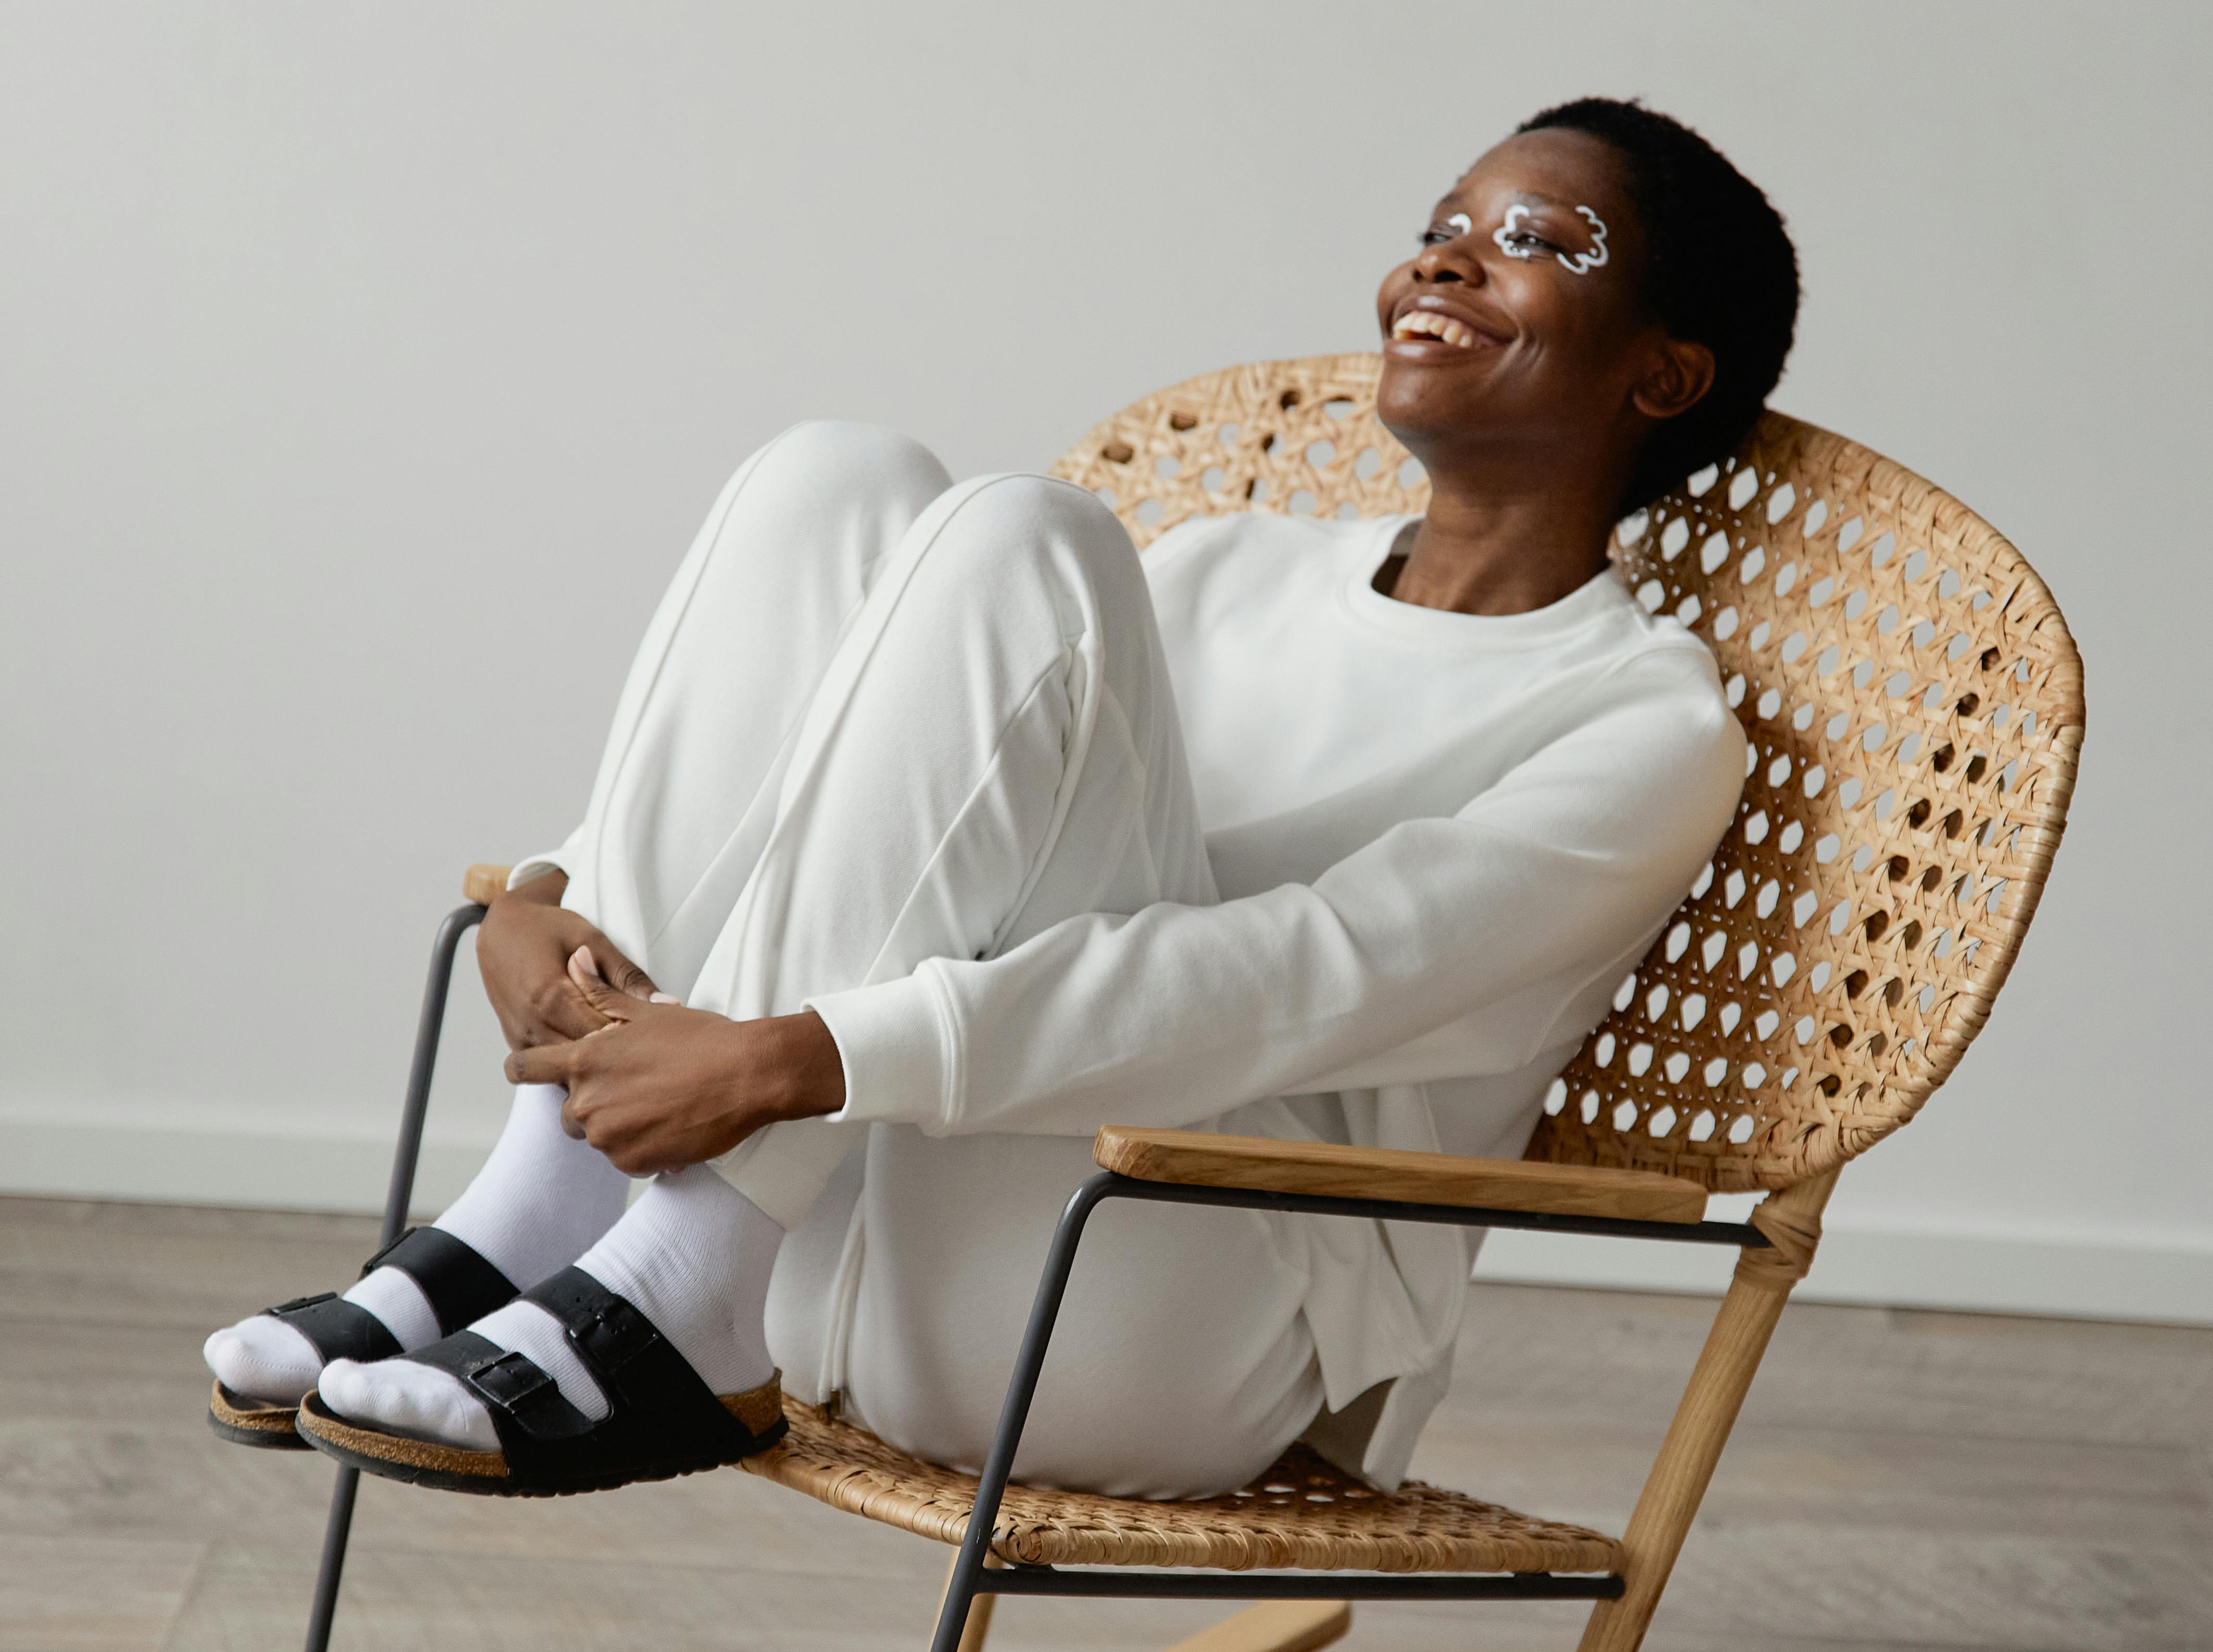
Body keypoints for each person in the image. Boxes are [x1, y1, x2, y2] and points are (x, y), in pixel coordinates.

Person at [205, 97, 1796, 1503]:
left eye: (1532, 240)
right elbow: (877, 773)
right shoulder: (1237, 566)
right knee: (838, 478)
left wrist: (798, 1055)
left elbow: (1295, 977)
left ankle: (673, 1269)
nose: (1446, 261)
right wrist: (554, 893)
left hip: (1149, 1310)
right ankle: (553, 1201)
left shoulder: (1643, 728)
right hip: (823, 1200)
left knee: (1025, 542)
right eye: (1439, 227)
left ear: (1665, 372)